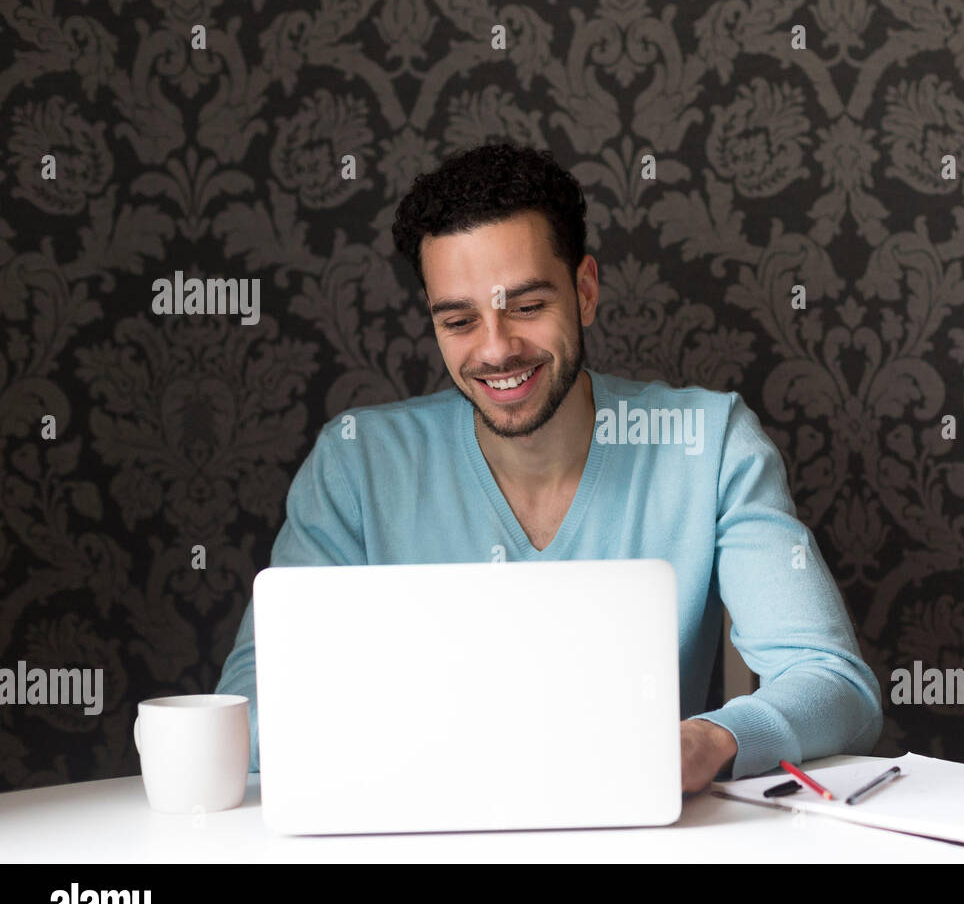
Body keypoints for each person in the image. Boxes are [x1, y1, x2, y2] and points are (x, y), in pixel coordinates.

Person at [216, 141, 882, 793]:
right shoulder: (357, 462)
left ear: (585, 291)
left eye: (527, 307)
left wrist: (709, 739)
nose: (497, 349)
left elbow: (833, 681)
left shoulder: (707, 444)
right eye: (458, 321)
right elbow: (244, 712)